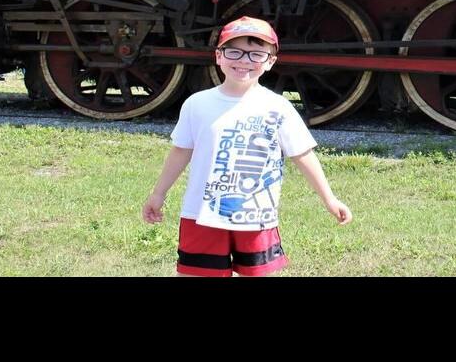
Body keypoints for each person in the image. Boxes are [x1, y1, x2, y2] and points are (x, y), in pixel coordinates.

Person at [141, 16, 352, 277]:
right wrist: (158, 193)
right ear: (218, 56)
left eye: (256, 54)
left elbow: (302, 154)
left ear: (271, 61)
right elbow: (181, 150)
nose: (244, 61)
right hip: (201, 214)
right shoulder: (197, 104)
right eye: (235, 52)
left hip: (255, 216)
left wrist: (329, 199)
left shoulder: (279, 108)